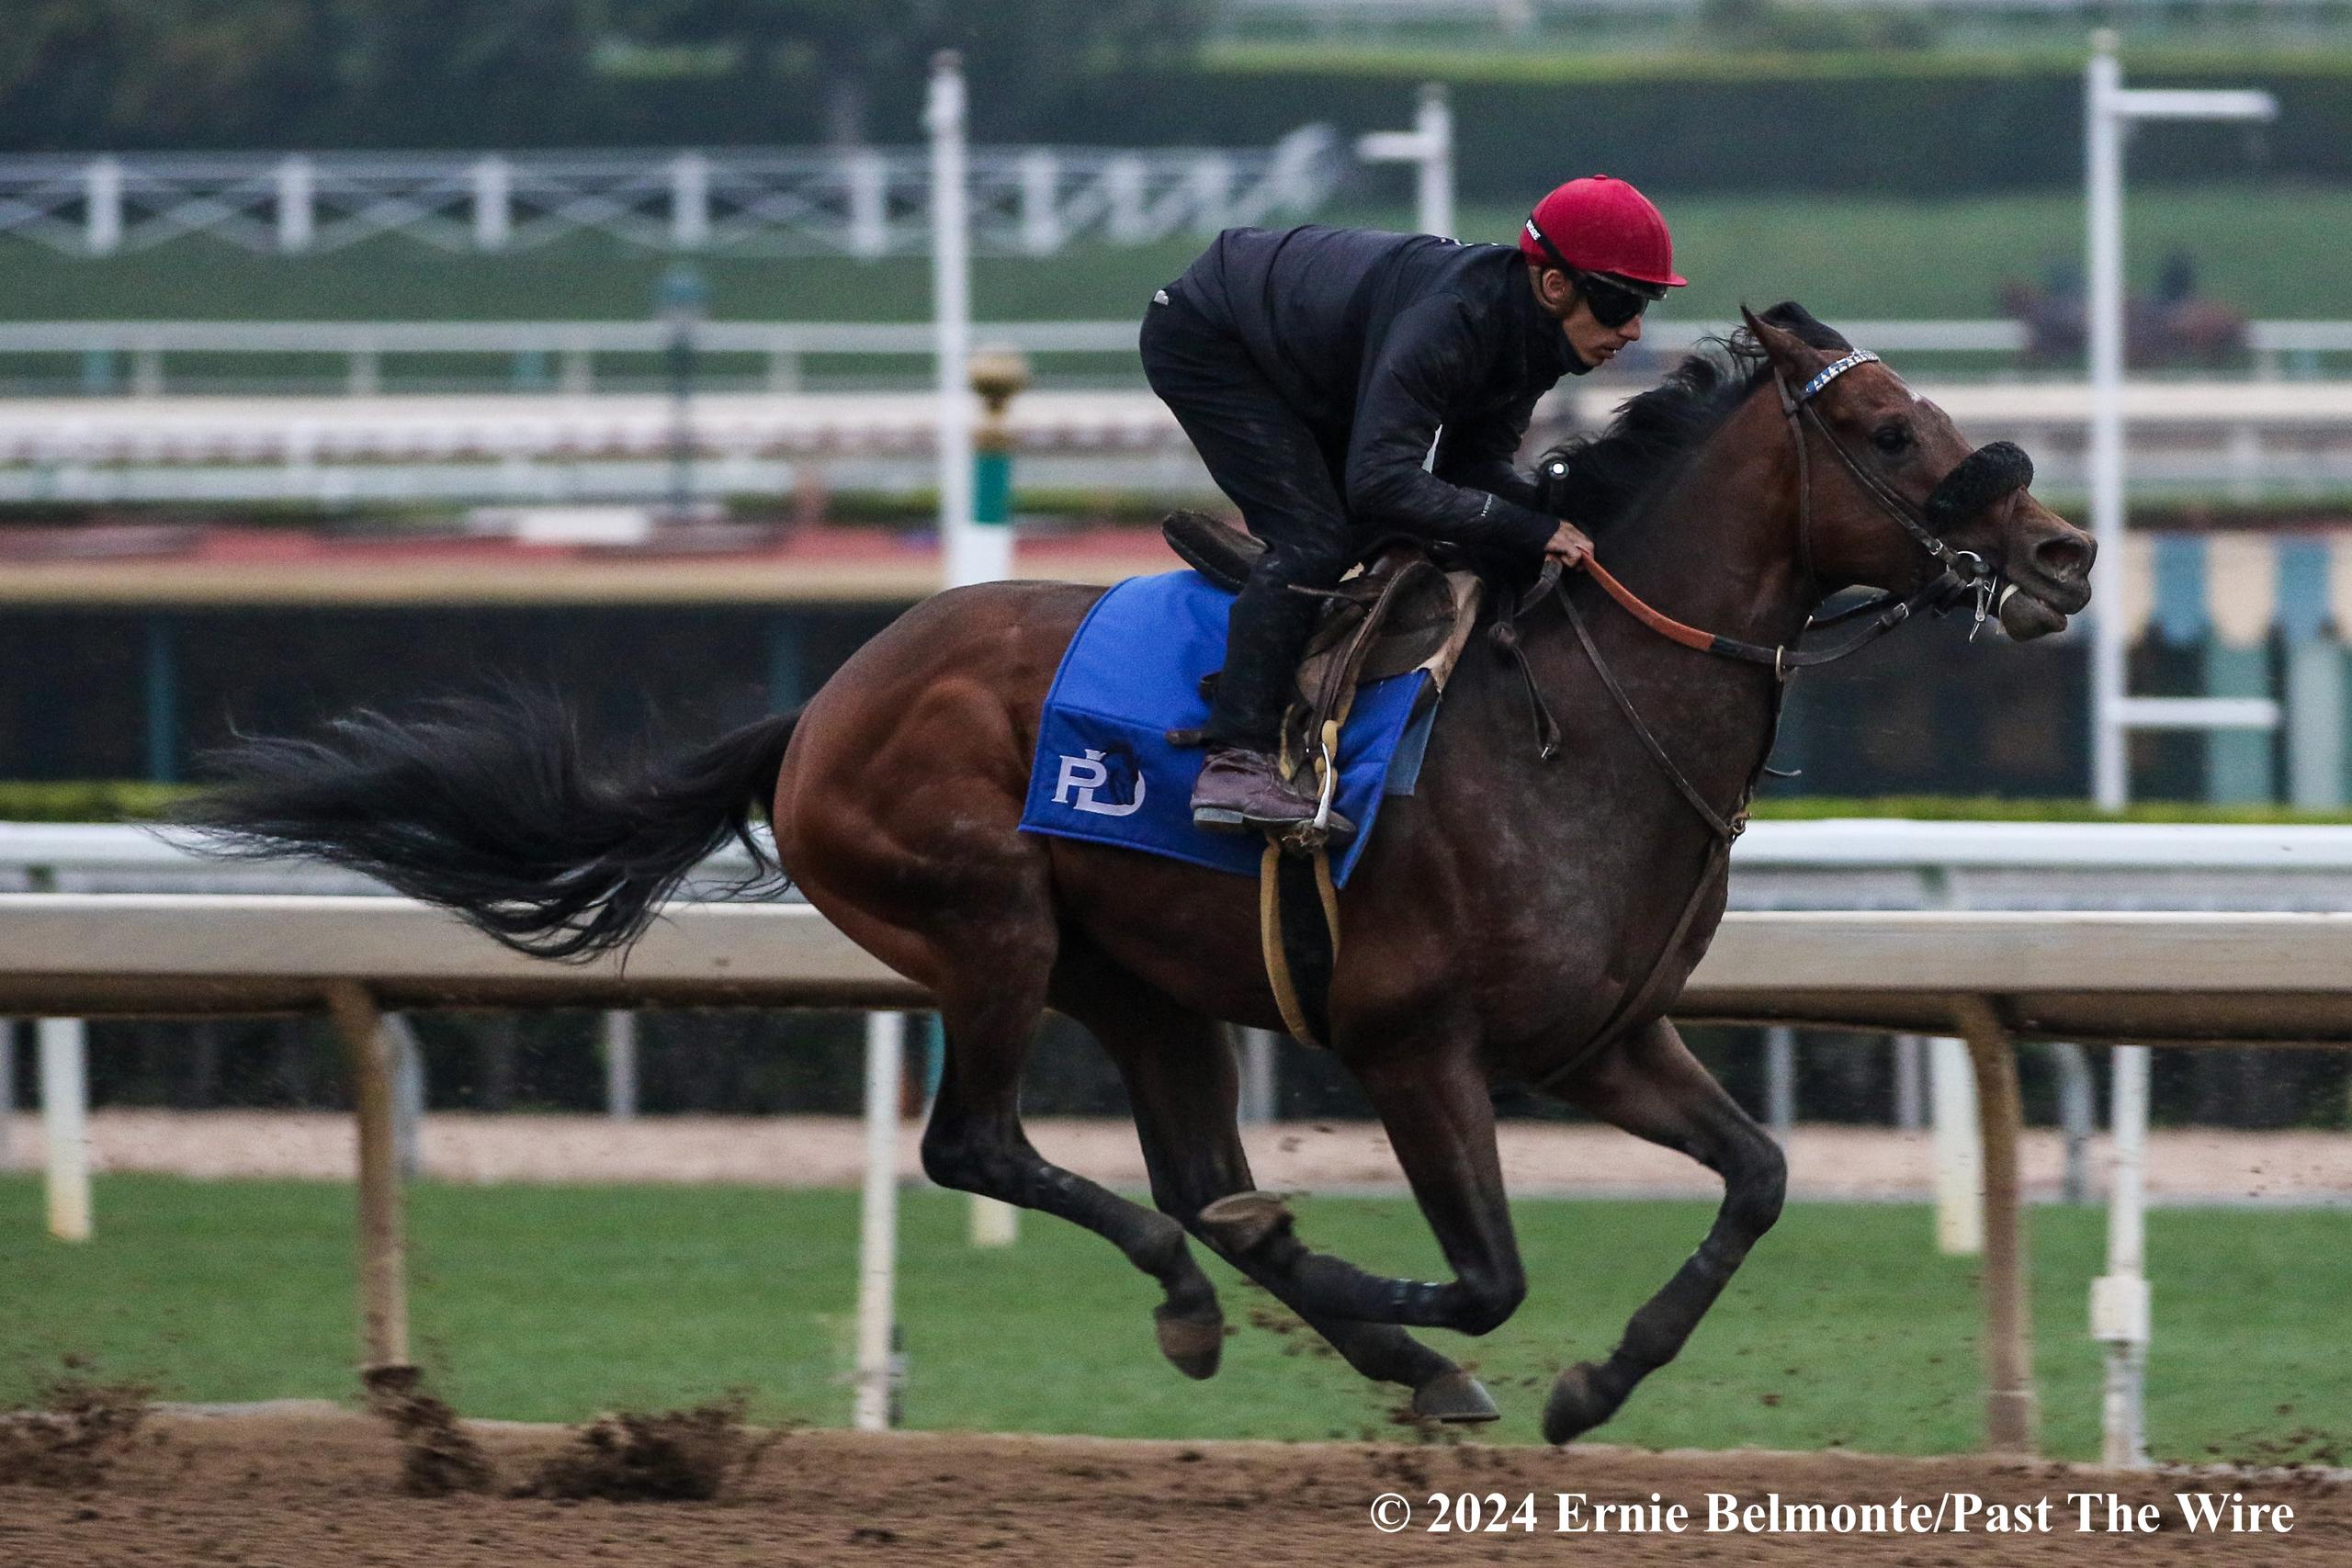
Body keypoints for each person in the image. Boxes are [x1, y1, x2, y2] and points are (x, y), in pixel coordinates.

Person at [1136, 175, 1686, 840]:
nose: (1633, 328)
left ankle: (1287, 592)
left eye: (1646, 303)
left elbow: (1472, 473)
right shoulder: (1453, 320)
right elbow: (1383, 481)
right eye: (1622, 301)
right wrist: (1531, 527)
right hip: (1211, 334)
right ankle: (1234, 761)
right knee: (1317, 538)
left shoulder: (1533, 337)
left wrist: (1571, 517)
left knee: (1392, 522)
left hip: (1303, 346)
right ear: (1555, 285)